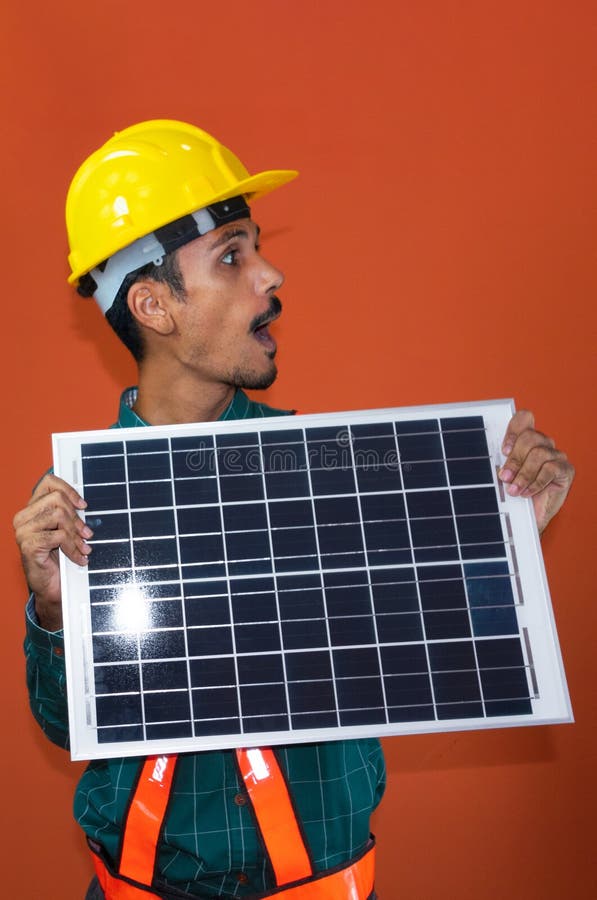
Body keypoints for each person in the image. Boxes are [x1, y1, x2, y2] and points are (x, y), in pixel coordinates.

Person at [13, 120, 575, 900]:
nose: (271, 275)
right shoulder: (77, 502)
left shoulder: (343, 474)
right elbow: (69, 727)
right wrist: (50, 606)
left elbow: (420, 651)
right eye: (233, 256)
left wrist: (500, 537)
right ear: (153, 304)